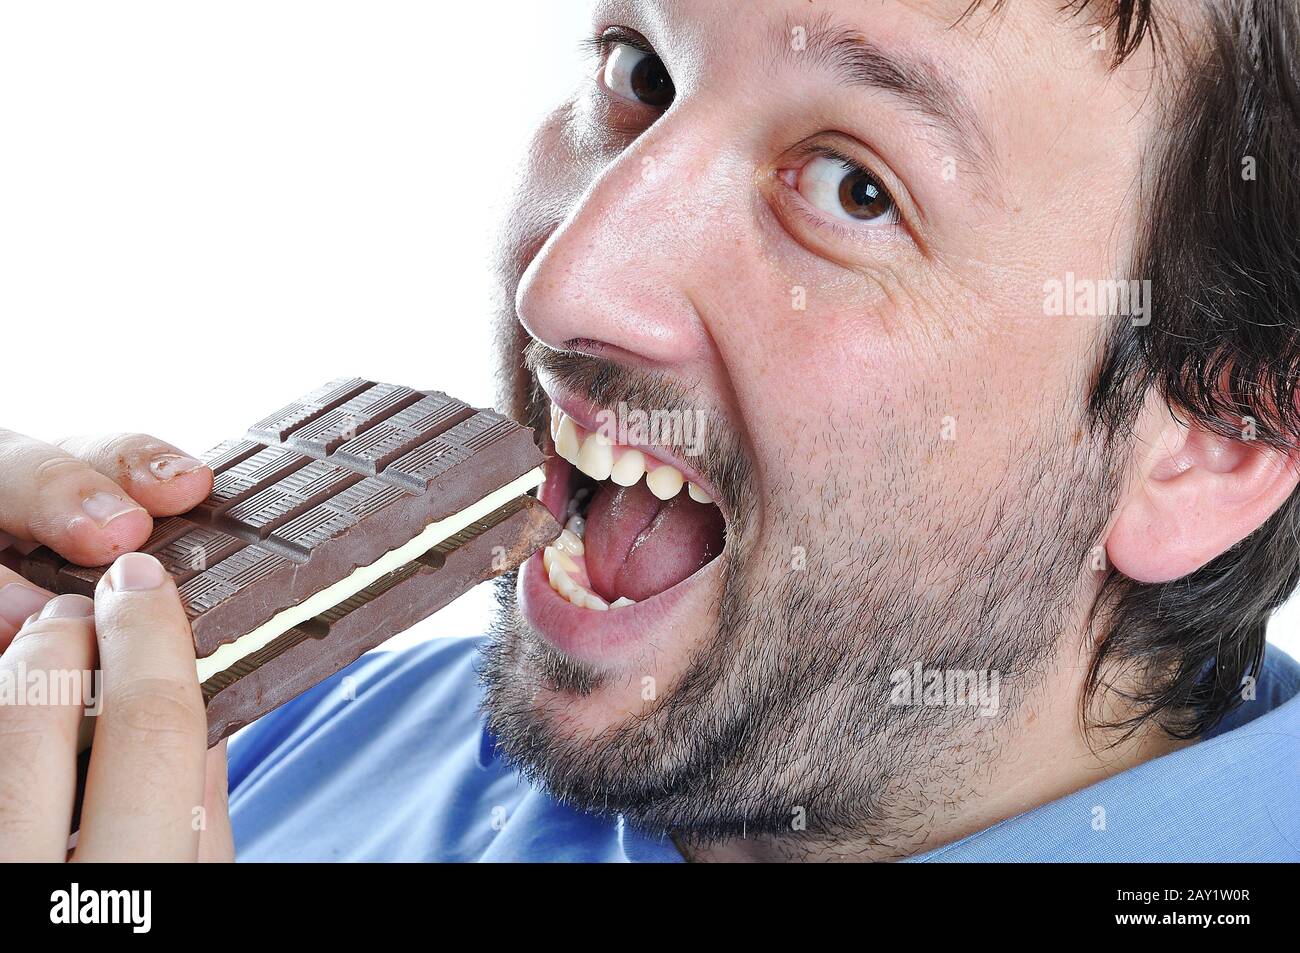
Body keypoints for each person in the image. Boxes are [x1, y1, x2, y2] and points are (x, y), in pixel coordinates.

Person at [1, 0, 1297, 862]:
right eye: (641, 72)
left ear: (1210, 444)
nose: (566, 281)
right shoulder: (282, 747)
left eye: (855, 187)